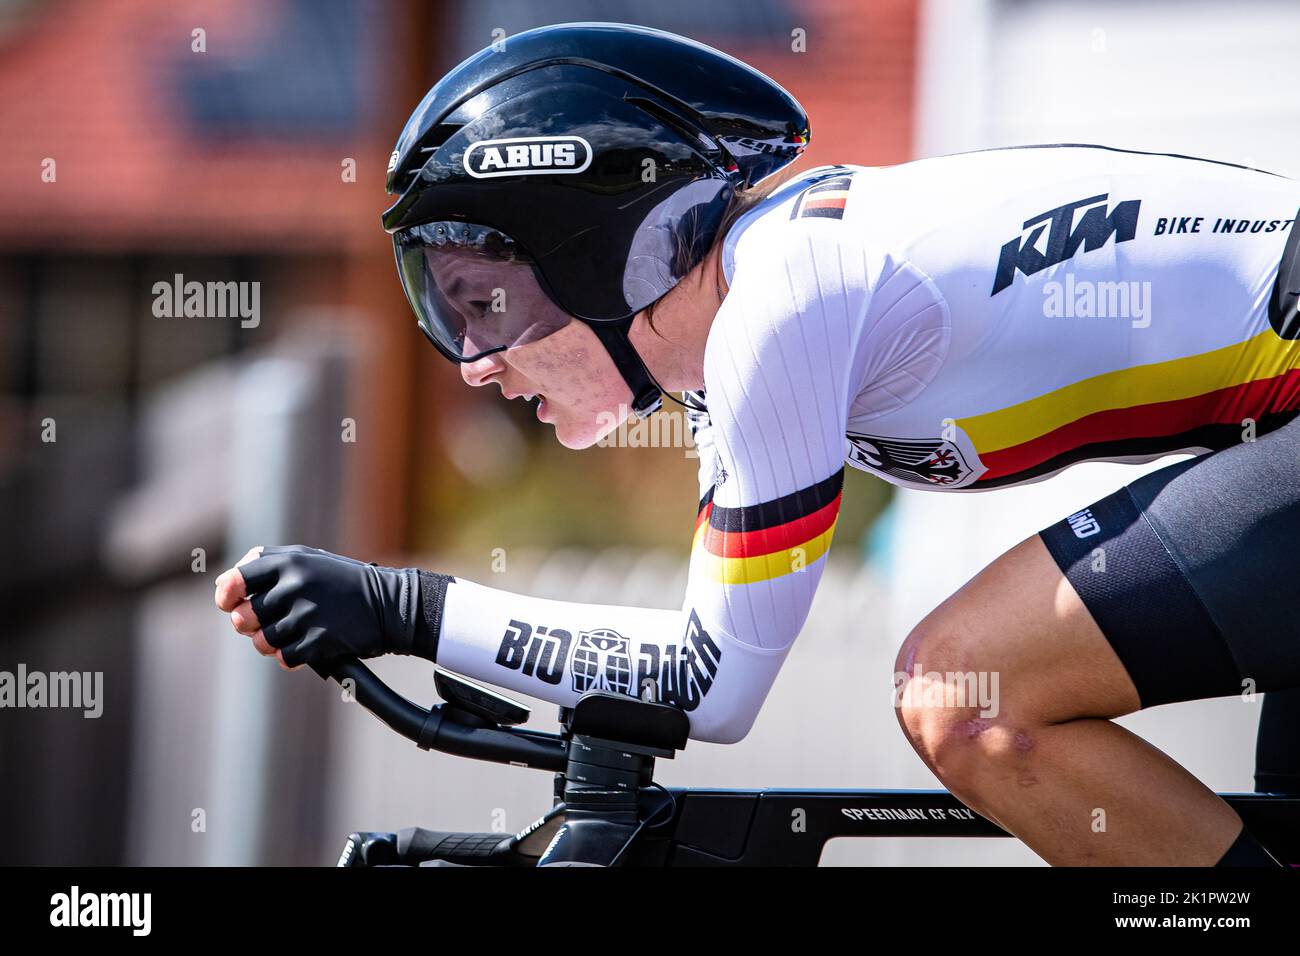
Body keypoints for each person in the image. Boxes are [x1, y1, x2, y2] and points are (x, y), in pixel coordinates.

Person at [214, 22, 1300, 866]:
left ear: (597, 255)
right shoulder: (755, 315)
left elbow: (708, 684)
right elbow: (701, 663)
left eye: (483, 303)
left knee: (967, 696)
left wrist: (406, 608)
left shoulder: (783, 302)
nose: (472, 364)